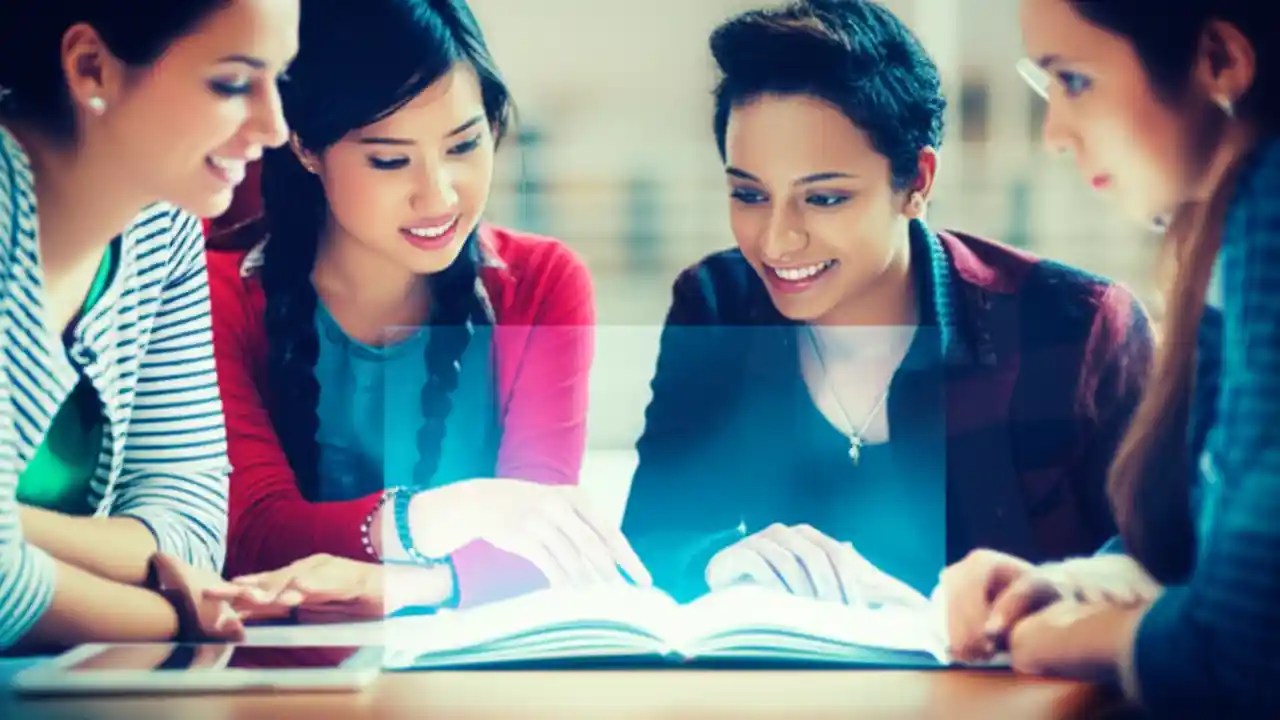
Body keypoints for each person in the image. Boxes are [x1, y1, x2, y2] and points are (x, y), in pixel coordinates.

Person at [622, 0, 1156, 607]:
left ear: (918, 182)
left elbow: (1162, 572)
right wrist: (715, 559)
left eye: (823, 199)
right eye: (748, 194)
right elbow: (651, 542)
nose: (775, 240)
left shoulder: (1077, 325)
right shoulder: (718, 305)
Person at [208, 0, 648, 619]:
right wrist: (446, 517)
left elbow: (550, 541)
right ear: (306, 146)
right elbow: (250, 537)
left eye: (464, 145)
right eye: (389, 159)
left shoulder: (541, 284)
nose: (438, 193)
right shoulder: (215, 293)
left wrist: (408, 584)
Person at [939, 0, 1280, 714]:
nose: (1055, 134)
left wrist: (1083, 638)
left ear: (1220, 60)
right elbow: (1196, 539)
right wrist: (1079, 588)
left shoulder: (1268, 208)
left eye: (1074, 81)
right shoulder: (1222, 235)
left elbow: (1250, 644)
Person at [0, 0, 297, 650]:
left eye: (281, 79)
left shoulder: (161, 225)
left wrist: (15, 533)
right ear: (92, 68)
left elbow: (190, 525)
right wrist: (179, 619)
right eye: (230, 82)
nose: (274, 127)